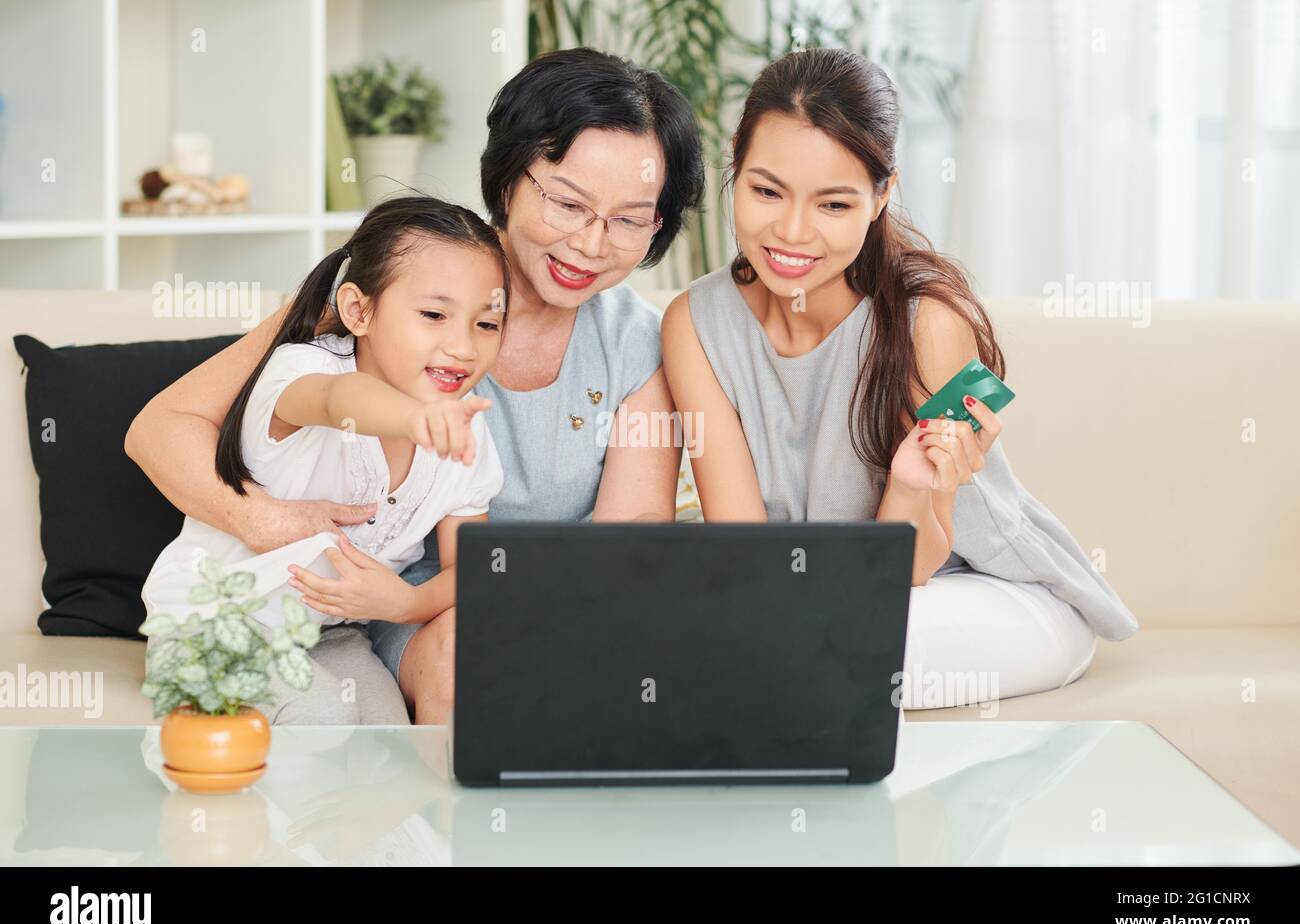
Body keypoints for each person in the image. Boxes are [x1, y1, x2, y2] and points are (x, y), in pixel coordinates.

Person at [126, 49, 706, 723]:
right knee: (473, 655)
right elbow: (161, 429)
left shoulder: (640, 341)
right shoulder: (396, 287)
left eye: (630, 219)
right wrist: (259, 519)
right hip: (406, 607)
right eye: (568, 203)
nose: (591, 243)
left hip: (561, 602)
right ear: (511, 179)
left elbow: (630, 537)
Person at [662, 48, 1139, 708]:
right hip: (805, 601)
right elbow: (745, 553)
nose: (792, 232)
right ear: (734, 173)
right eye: (766, 191)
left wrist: (915, 485)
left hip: (972, 591)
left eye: (833, 203)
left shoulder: (929, 324)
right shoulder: (695, 322)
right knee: (745, 641)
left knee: (825, 651)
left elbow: (910, 565)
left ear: (882, 195)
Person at [140, 197, 509, 724]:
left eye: (487, 325)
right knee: (323, 727)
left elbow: (471, 569)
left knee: (390, 745)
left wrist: (403, 604)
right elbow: (341, 402)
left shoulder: (469, 434)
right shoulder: (302, 371)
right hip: (213, 623)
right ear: (359, 311)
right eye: (433, 315)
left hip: (331, 634)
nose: (463, 347)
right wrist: (412, 419)